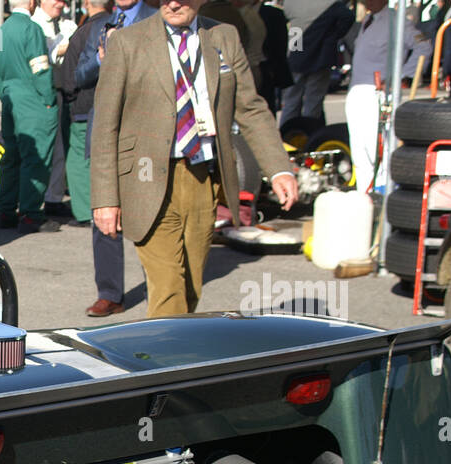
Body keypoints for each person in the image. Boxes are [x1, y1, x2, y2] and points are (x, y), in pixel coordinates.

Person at [91, 0, 298, 317]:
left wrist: (279, 169)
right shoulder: (126, 41)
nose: (173, 4)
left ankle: (169, 354)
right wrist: (105, 199)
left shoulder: (223, 36)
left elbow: (251, 110)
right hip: (146, 181)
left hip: (203, 178)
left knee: (190, 288)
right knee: (169, 290)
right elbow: (106, 125)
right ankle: (167, 362)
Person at [72, 0, 158, 316]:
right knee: (104, 214)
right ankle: (110, 294)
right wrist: (100, 58)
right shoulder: (98, 26)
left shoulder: (158, 19)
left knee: (152, 208)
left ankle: (161, 288)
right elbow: (79, 76)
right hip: (105, 129)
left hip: (146, 129)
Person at [344, 0, 432, 193]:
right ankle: (365, 197)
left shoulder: (395, 20)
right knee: (360, 153)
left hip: (378, 93)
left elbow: (423, 46)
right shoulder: (369, 19)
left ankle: (381, 197)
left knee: (377, 153)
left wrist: (402, 77)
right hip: (357, 90)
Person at [0, 0, 61, 233]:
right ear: (31, 2)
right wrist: (49, 100)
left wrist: (7, 94)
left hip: (10, 99)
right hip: (32, 101)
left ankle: (5, 211)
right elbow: (40, 69)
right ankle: (31, 214)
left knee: (10, 156)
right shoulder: (32, 29)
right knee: (35, 158)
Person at [61, 0, 110, 230]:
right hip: (111, 103)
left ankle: (84, 211)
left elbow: (70, 77)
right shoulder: (120, 25)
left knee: (79, 159)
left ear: (88, 4)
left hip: (85, 105)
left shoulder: (83, 33)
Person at [33, 0, 77, 217]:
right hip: (47, 92)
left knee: (66, 145)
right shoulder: (35, 25)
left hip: (66, 90)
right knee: (55, 146)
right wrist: (68, 47)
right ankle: (50, 198)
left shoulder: (67, 24)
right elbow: (44, 56)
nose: (60, 3)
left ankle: (56, 195)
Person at [279, 0, 353, 127]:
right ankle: (309, 135)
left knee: (291, 101)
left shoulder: (290, 2)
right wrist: (333, 35)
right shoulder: (330, 3)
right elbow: (348, 16)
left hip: (295, 52)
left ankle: (286, 135)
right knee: (313, 102)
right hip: (320, 55)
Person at [255, 0, 291, 112]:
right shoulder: (231, 13)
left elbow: (280, 45)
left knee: (267, 109)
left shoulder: (274, 14)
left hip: (265, 70)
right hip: (240, 70)